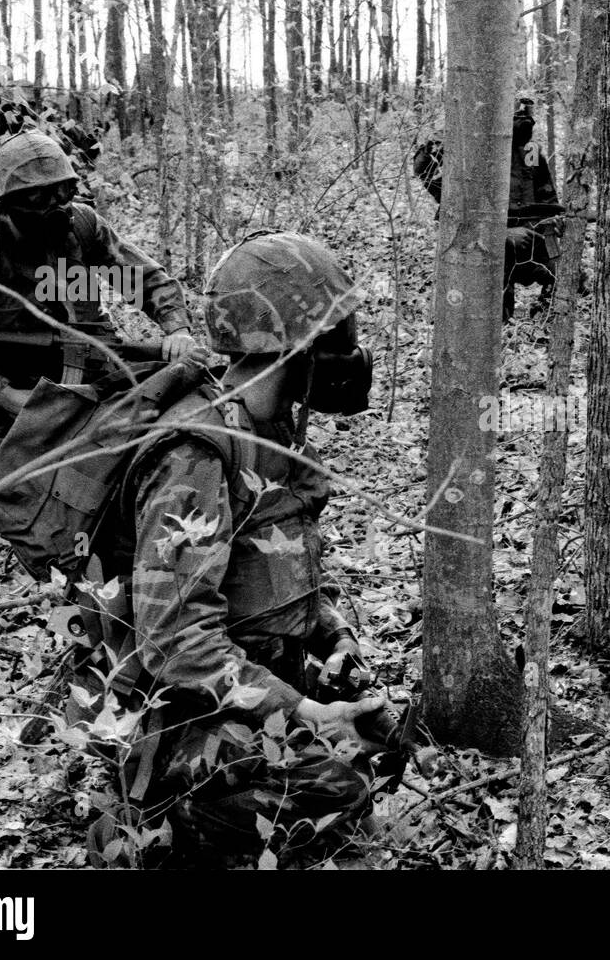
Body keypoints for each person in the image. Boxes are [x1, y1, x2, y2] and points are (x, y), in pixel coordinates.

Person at [76, 231, 384, 867]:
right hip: (182, 710)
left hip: (255, 677)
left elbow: (283, 564)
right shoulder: (196, 453)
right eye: (330, 336)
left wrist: (336, 642)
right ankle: (152, 822)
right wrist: (307, 711)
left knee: (381, 747)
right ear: (292, 348)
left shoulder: (268, 430)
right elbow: (175, 641)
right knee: (335, 793)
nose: (345, 352)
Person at [0, 130, 204, 439]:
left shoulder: (82, 226)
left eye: (63, 191)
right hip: (25, 401)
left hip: (101, 382)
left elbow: (142, 279)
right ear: (10, 200)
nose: (56, 204)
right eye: (39, 195)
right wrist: (12, 399)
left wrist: (177, 329)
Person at [413, 97, 564, 321]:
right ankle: (500, 325)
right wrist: (500, 233)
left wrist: (554, 224)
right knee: (496, 306)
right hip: (484, 243)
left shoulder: (530, 151)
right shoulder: (474, 148)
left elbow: (547, 199)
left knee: (566, 274)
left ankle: (542, 314)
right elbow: (428, 171)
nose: (523, 119)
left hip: (528, 240)